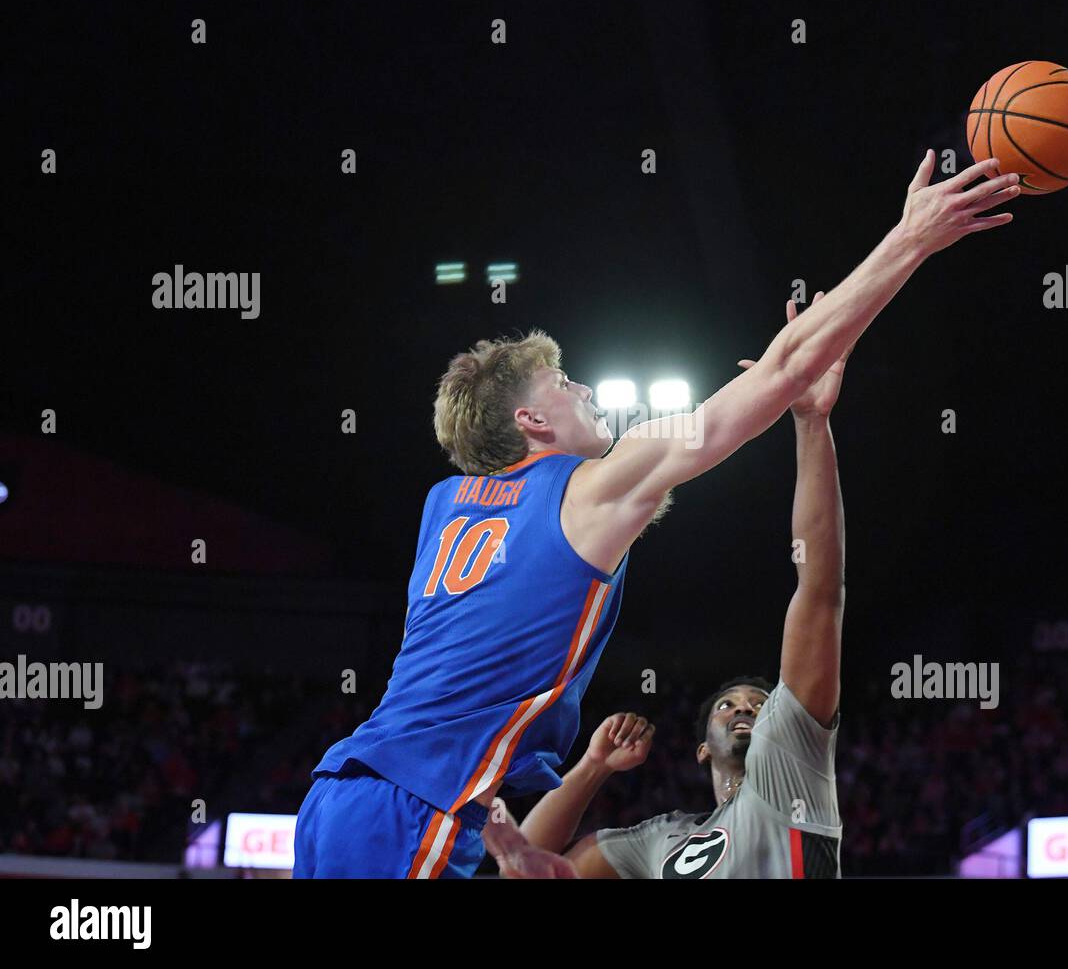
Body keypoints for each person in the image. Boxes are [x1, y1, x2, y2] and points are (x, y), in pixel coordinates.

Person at [293, 154, 1019, 878]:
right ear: (529, 419)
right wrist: (911, 239)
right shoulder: (587, 490)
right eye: (565, 383)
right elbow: (782, 370)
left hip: (346, 795)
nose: (585, 390)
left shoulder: (442, 505)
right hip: (415, 805)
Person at [516, 296, 849, 877]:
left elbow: (819, 588)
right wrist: (593, 765)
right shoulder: (662, 842)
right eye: (728, 705)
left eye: (759, 705)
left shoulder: (792, 761)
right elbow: (526, 863)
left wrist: (811, 423)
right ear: (702, 749)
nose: (745, 709)